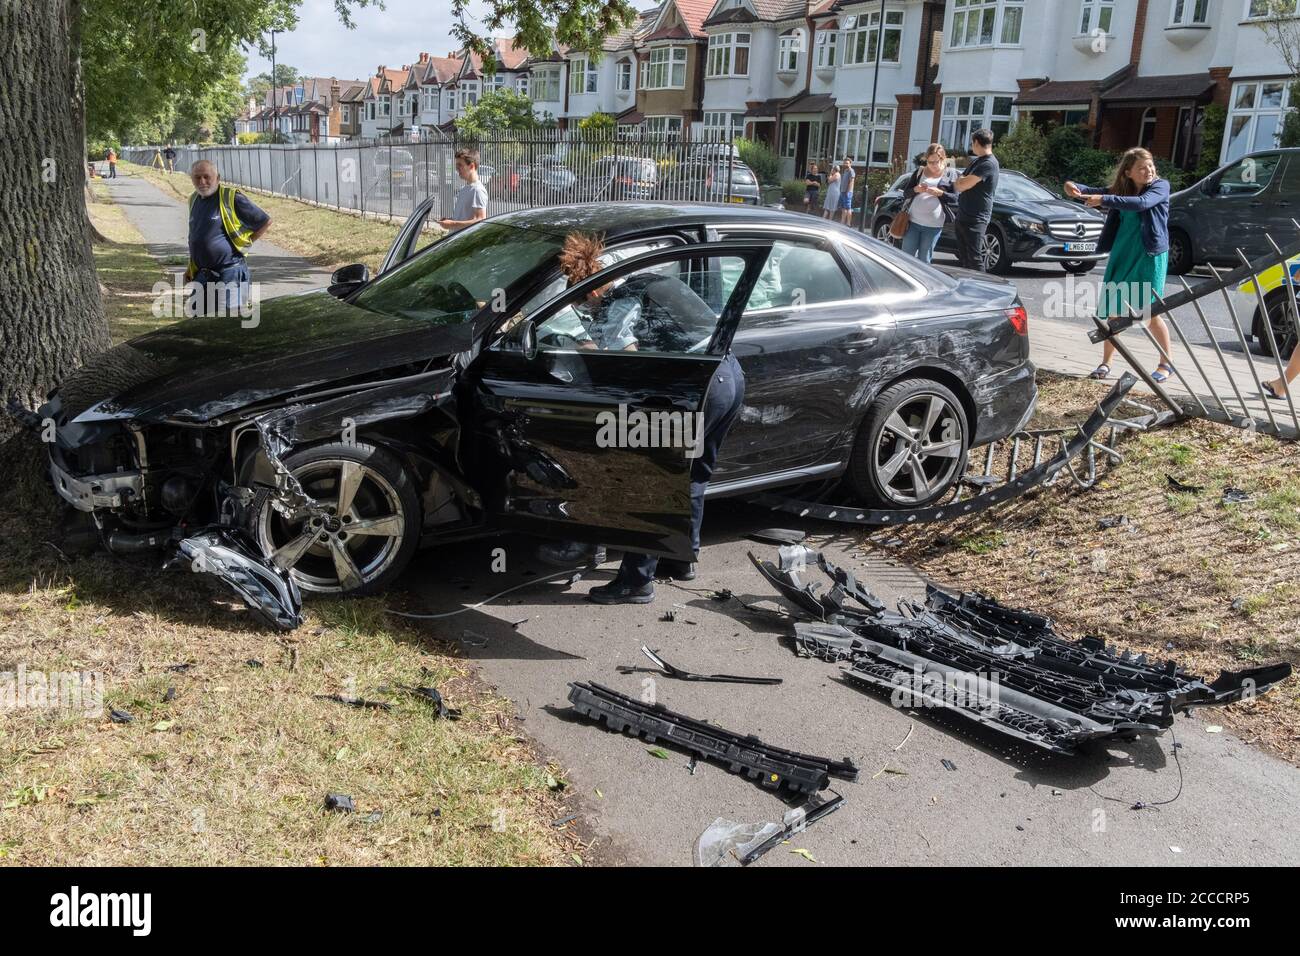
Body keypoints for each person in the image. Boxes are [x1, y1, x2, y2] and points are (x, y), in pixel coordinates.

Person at [1066, 147, 1173, 382]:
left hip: (1148, 255)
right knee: (1114, 310)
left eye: (1151, 166)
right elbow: (1089, 191)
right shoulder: (1121, 190)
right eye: (1142, 168)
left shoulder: (1160, 186)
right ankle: (1106, 363)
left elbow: (1142, 203)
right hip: (1122, 254)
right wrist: (1073, 187)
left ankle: (1166, 364)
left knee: (1150, 311)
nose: (1149, 171)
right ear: (1128, 173)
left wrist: (1103, 199)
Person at [185, 160, 271, 316]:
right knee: (195, 319)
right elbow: (196, 236)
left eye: (207, 177)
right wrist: (190, 268)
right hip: (203, 274)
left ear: (217, 178)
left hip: (230, 273)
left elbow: (264, 221)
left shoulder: (231, 197)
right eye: (197, 177)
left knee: (229, 321)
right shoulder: (194, 200)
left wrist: (246, 244)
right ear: (191, 179)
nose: (202, 181)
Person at [898, 144, 957, 264]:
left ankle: (921, 283)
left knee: (924, 260)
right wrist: (916, 189)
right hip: (913, 222)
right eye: (930, 162)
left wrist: (941, 193)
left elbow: (955, 198)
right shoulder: (920, 172)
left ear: (943, 159)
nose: (933, 165)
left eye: (936, 162)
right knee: (905, 258)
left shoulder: (949, 174)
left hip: (933, 226)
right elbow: (906, 193)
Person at [953, 128, 1000, 271]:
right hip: (963, 215)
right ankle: (968, 288)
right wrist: (961, 181)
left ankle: (983, 288)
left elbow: (962, 185)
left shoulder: (989, 164)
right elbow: (959, 183)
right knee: (965, 258)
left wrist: (961, 181)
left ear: (977, 142)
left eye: (972, 143)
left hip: (976, 218)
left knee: (975, 258)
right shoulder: (977, 162)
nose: (971, 146)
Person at [438, 148, 487, 232]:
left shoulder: (477, 190)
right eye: (456, 165)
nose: (457, 169)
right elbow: (464, 217)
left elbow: (480, 220)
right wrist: (450, 220)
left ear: (471, 166)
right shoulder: (464, 189)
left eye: (460, 165)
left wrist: (452, 224)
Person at [837, 156, 856, 225]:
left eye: (847, 163)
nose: (845, 164)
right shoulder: (845, 171)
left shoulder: (851, 171)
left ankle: (848, 224)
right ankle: (842, 222)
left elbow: (851, 181)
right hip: (842, 191)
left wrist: (848, 191)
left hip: (847, 192)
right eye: (844, 163)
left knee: (848, 208)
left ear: (850, 164)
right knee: (843, 208)